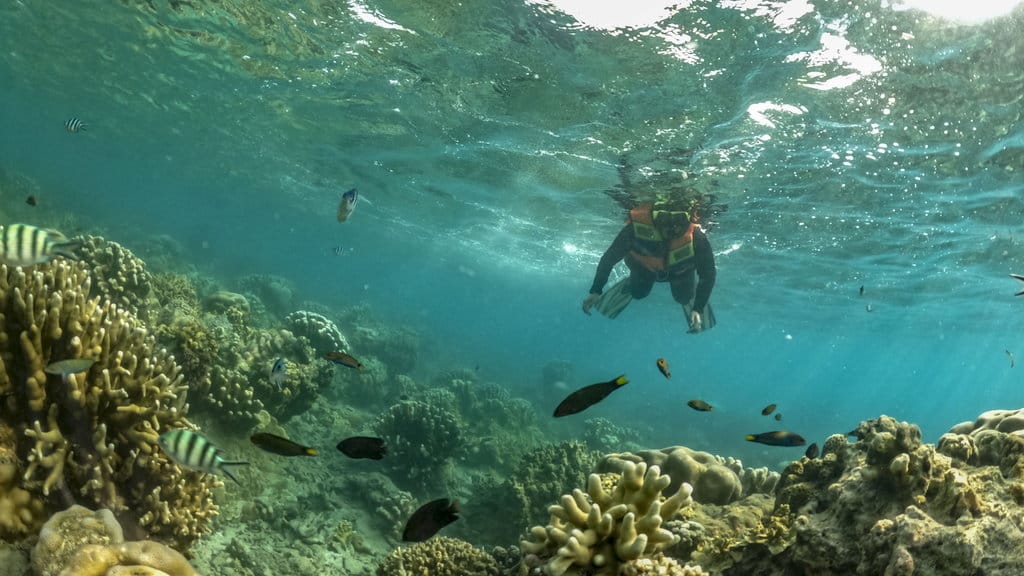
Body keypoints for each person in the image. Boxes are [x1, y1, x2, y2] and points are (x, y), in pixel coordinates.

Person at [582, 201, 717, 332]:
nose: (671, 227)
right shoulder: (634, 230)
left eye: (679, 219)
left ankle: (690, 295)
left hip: (681, 273)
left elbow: (708, 274)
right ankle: (632, 285)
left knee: (683, 297)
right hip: (644, 270)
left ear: (688, 219)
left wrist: (698, 308)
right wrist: (596, 290)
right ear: (654, 217)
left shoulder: (696, 237)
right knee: (638, 293)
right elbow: (608, 259)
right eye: (664, 219)